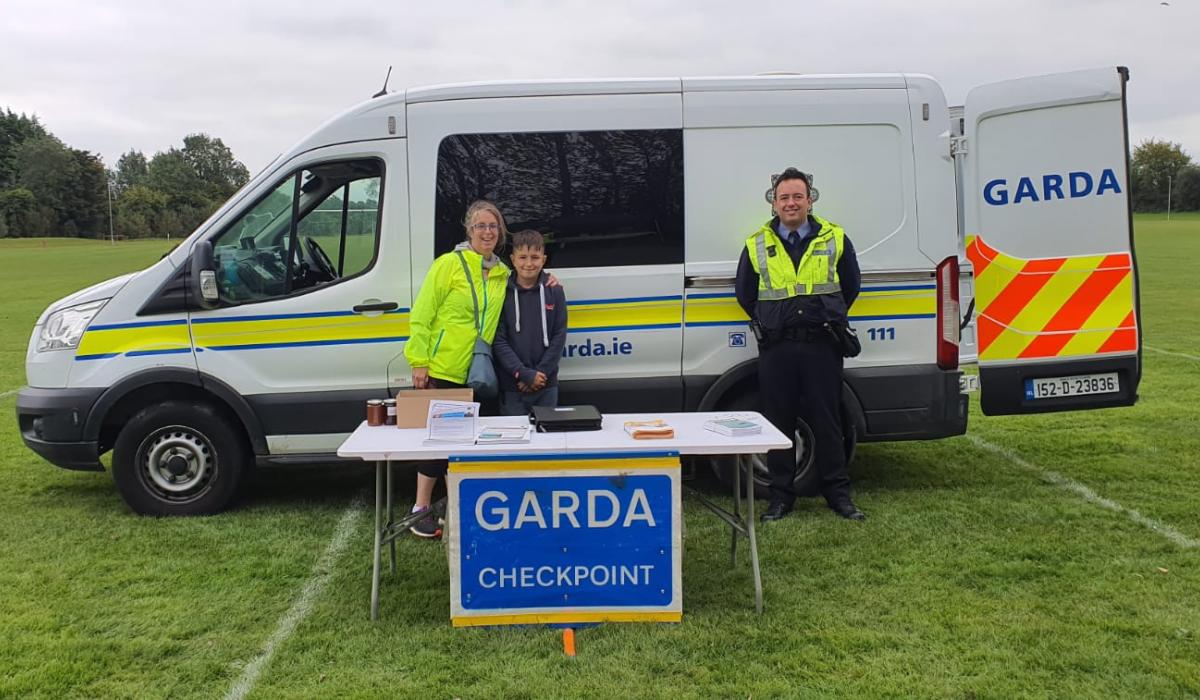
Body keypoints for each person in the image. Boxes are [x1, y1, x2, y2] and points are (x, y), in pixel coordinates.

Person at [734, 167, 864, 522]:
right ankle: (781, 498)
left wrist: (824, 315)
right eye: (784, 197)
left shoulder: (835, 237)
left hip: (823, 344)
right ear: (774, 204)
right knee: (778, 422)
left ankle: (838, 496)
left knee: (828, 421)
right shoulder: (757, 243)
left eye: (797, 196)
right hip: (778, 349)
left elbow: (851, 285)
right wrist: (774, 320)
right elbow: (745, 294)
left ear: (810, 200)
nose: (791, 203)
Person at [404, 200, 511, 537]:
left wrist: (548, 282)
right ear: (469, 230)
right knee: (441, 443)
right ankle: (420, 509)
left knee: (474, 444)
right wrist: (419, 359)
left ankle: (459, 510)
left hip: (480, 370)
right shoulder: (448, 265)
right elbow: (422, 313)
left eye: (493, 226)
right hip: (445, 367)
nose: (488, 232)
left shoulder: (502, 272)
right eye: (481, 226)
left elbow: (528, 281)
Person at [492, 230, 568, 416]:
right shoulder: (501, 292)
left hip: (546, 383)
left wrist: (539, 374)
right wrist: (523, 374)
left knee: (546, 438)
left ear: (543, 259)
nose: (528, 263)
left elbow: (559, 335)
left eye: (535, 257)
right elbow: (499, 340)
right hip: (512, 385)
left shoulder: (554, 291)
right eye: (523, 257)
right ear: (513, 259)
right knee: (515, 441)